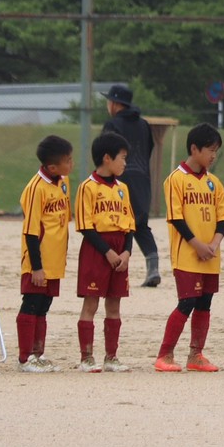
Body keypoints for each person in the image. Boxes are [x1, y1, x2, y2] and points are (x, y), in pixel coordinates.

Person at [156, 124, 224, 373]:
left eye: (216, 151)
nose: (213, 155)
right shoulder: (176, 179)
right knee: (186, 302)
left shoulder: (214, 183)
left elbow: (223, 218)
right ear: (194, 149)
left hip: (210, 255)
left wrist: (214, 244)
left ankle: (196, 354)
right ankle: (165, 354)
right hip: (187, 255)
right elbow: (177, 219)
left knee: (205, 303)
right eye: (210, 150)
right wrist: (197, 245)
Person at [73, 132, 134, 373]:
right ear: (107, 158)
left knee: (114, 304)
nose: (125, 162)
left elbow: (129, 225)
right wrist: (107, 251)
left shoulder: (123, 189)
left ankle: (112, 357)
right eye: (122, 157)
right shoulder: (87, 187)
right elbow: (85, 226)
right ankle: (86, 357)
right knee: (91, 303)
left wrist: (127, 252)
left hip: (120, 250)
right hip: (97, 249)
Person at [17, 135, 73, 373]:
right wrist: (36, 266)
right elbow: (30, 232)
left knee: (44, 305)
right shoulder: (35, 189)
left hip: (55, 258)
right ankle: (24, 358)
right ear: (52, 166)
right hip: (37, 261)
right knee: (31, 303)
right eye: (67, 161)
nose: (71, 164)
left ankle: (38, 354)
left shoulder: (63, 182)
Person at [101, 84, 161, 287]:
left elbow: (105, 152)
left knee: (117, 223)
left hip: (120, 180)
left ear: (116, 104)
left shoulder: (113, 125)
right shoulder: (144, 124)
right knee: (141, 224)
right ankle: (153, 267)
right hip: (143, 178)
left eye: (109, 101)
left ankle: (113, 268)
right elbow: (149, 149)